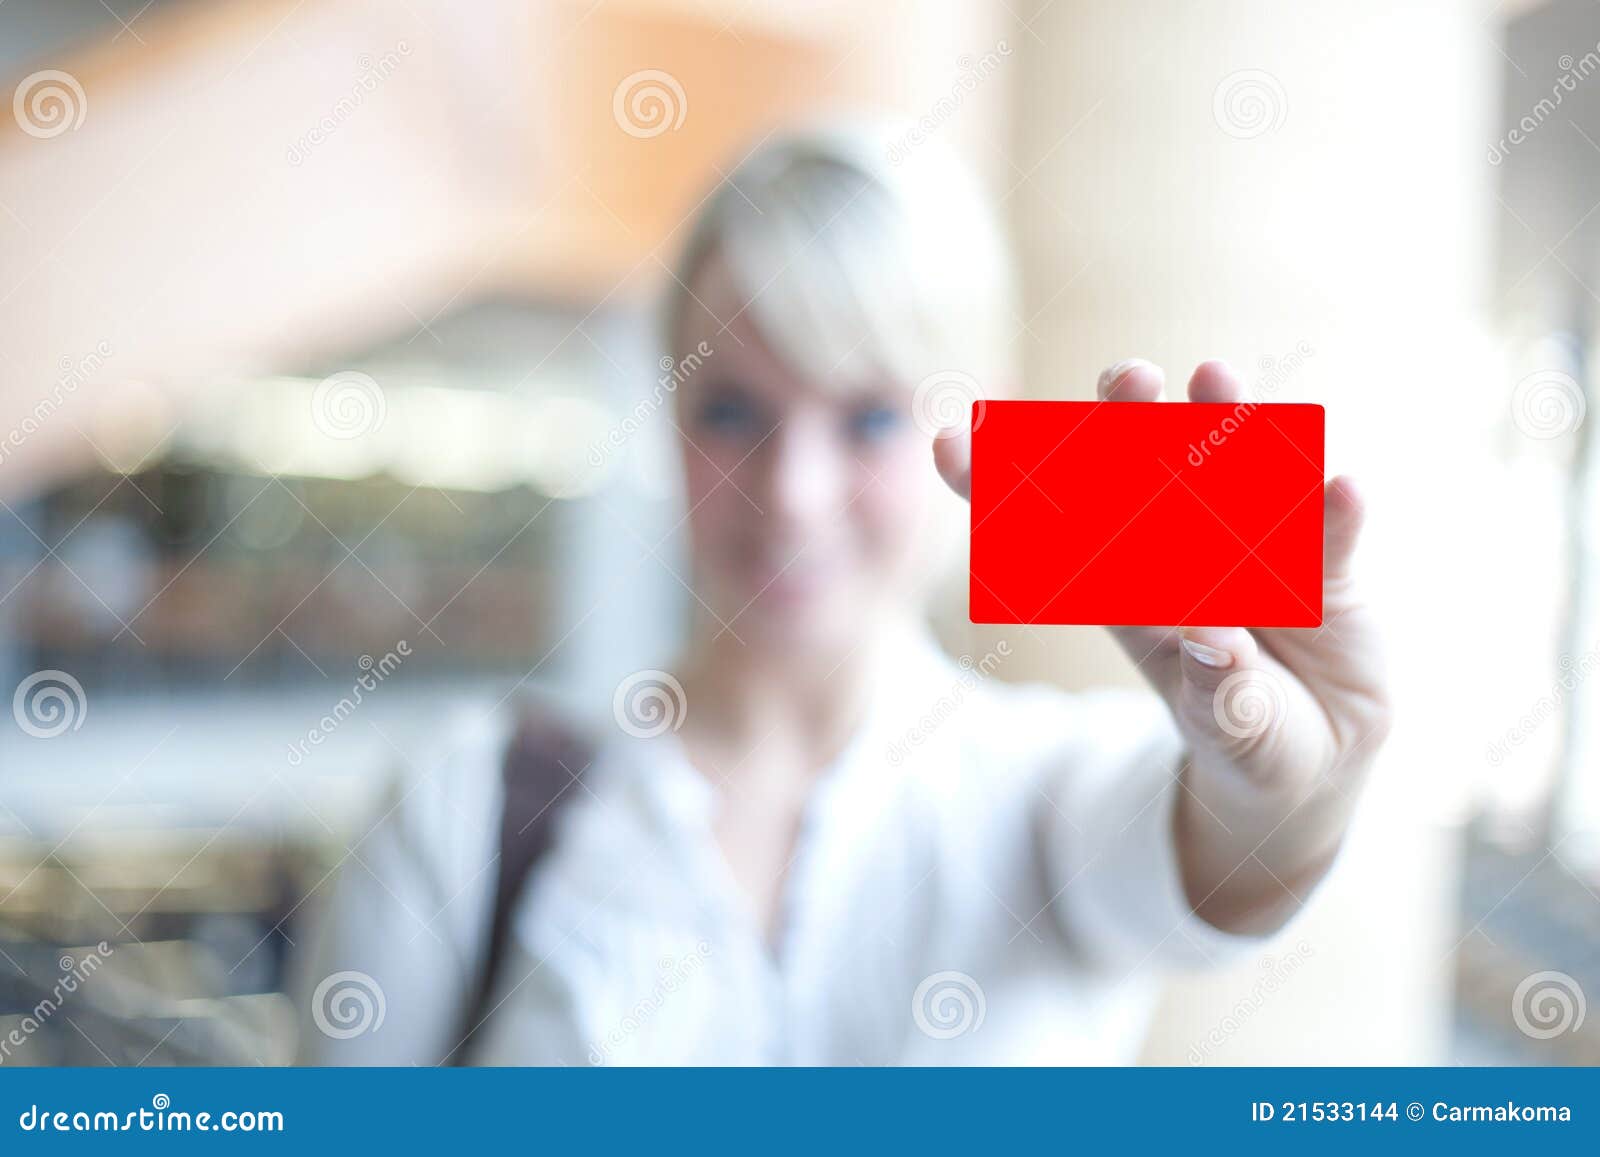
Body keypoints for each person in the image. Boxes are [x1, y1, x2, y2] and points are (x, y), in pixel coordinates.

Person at [294, 122, 1390, 1065]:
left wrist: (1293, 796)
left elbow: (1220, 851)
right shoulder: (466, 803)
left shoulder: (1052, 790)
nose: (792, 494)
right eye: (730, 409)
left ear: (969, 437)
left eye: (867, 416)